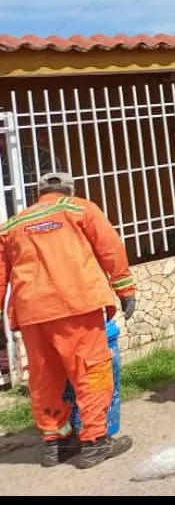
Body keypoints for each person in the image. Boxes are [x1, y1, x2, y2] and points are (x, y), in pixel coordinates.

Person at [0, 172, 137, 469]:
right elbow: (111, 249)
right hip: (76, 304)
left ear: (39, 194)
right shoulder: (79, 208)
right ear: (68, 190)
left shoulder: (12, 224)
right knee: (91, 371)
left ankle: (55, 443)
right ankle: (94, 442)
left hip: (32, 313)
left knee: (45, 377)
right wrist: (125, 289)